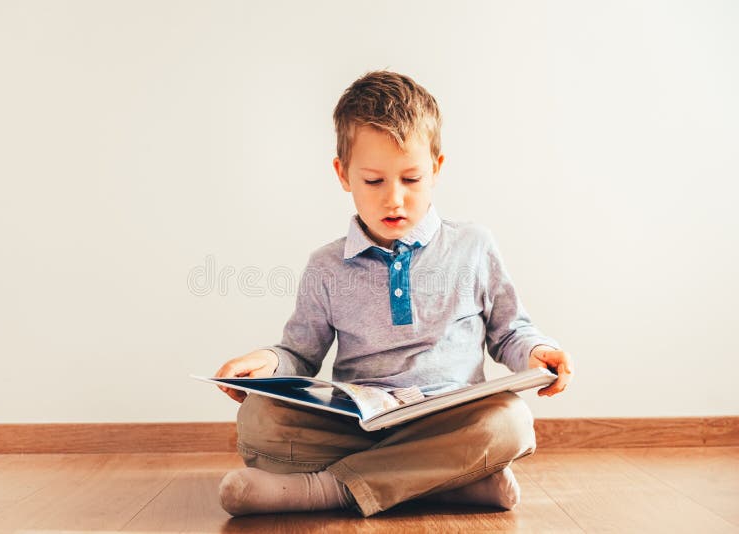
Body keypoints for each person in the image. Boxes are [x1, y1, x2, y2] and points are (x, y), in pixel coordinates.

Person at [213, 70, 574, 517]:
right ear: (343, 174)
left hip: (450, 422)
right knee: (258, 421)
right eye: (373, 181)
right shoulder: (326, 265)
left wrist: (537, 352)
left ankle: (330, 490)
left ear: (436, 168)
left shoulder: (474, 246)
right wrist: (268, 363)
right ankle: (448, 481)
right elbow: (299, 355)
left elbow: (510, 332)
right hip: (359, 425)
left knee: (511, 423)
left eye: (411, 179)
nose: (394, 199)